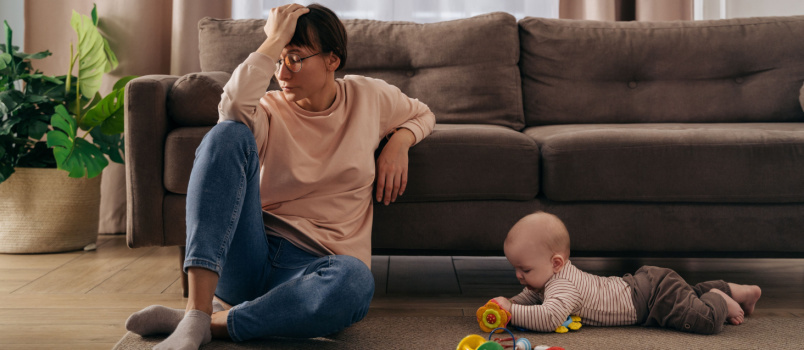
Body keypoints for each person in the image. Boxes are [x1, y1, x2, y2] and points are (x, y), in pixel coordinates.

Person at [124, 3, 435, 349]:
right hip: (249, 255)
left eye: (295, 58)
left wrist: (400, 141)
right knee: (226, 134)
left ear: (333, 59)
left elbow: (423, 113)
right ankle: (196, 310)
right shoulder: (268, 109)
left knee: (355, 282)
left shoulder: (369, 97)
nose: (282, 74)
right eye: (278, 59)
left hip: (316, 271)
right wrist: (274, 40)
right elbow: (231, 110)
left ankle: (212, 324)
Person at [490, 212, 762, 335]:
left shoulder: (564, 287)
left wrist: (512, 312)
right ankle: (736, 290)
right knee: (688, 297)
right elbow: (531, 298)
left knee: (704, 320)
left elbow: (549, 317)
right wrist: (507, 305)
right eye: (516, 268)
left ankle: (718, 298)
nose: (519, 276)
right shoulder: (550, 279)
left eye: (525, 270)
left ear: (557, 263)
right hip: (647, 286)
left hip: (653, 299)